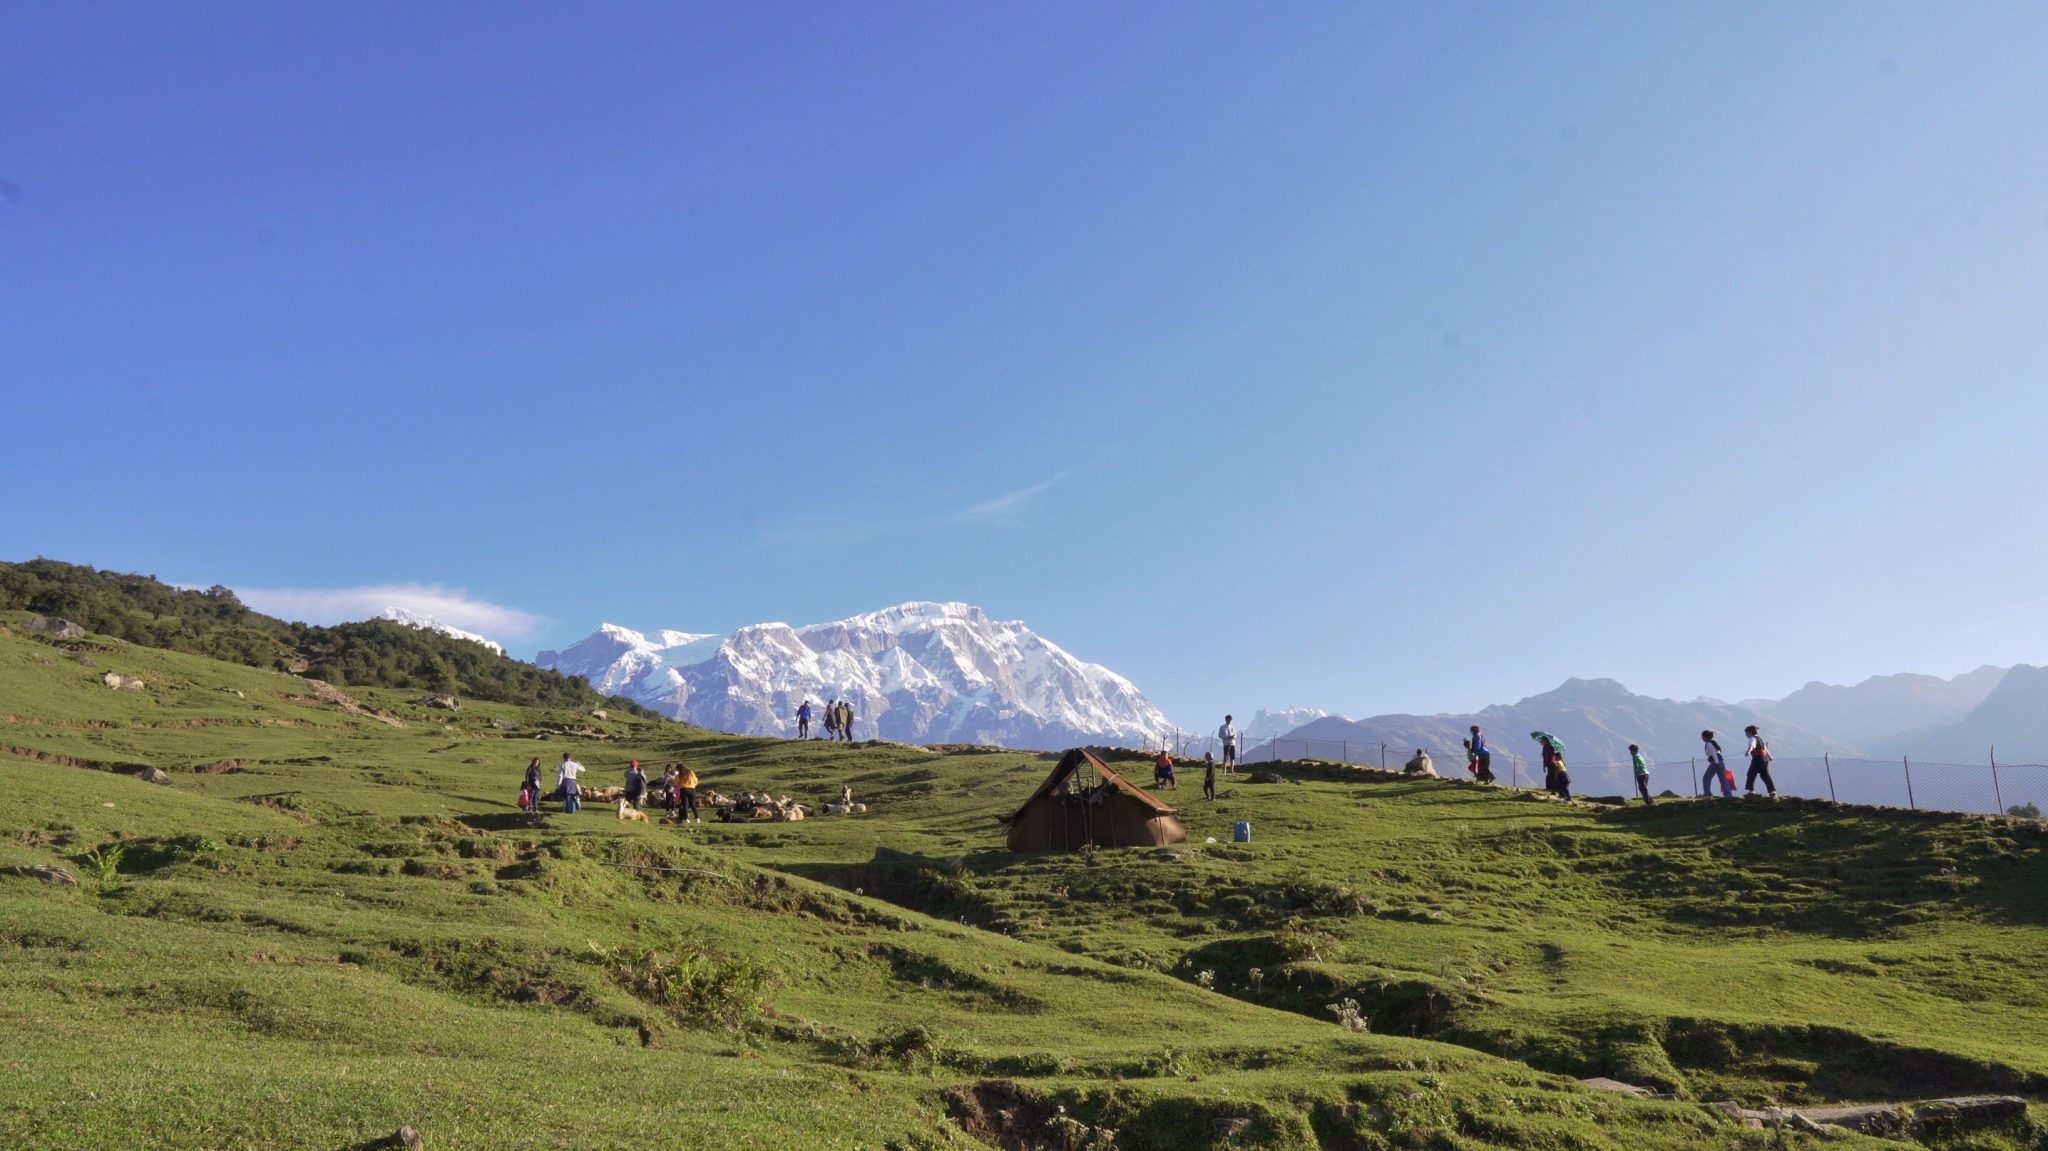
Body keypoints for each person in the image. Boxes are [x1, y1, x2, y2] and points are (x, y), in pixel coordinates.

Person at [1743, 725, 1778, 797]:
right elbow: (1765, 748)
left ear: (1750, 733)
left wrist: (1748, 751)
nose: (1746, 735)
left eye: (1746, 733)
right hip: (1765, 759)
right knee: (1765, 775)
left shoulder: (1752, 738)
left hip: (1758, 758)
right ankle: (1772, 791)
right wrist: (1770, 756)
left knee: (1751, 773)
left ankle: (1751, 791)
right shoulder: (1760, 738)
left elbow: (1752, 746)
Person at [1701, 730, 1734, 797]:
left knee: (1706, 777)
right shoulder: (1713, 742)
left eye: (1702, 737)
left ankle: (1707, 793)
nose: (1702, 738)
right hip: (1721, 762)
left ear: (1705, 737)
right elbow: (1719, 751)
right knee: (1723, 779)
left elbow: (1713, 753)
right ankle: (1728, 794)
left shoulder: (1708, 743)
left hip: (1715, 762)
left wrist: (1716, 762)